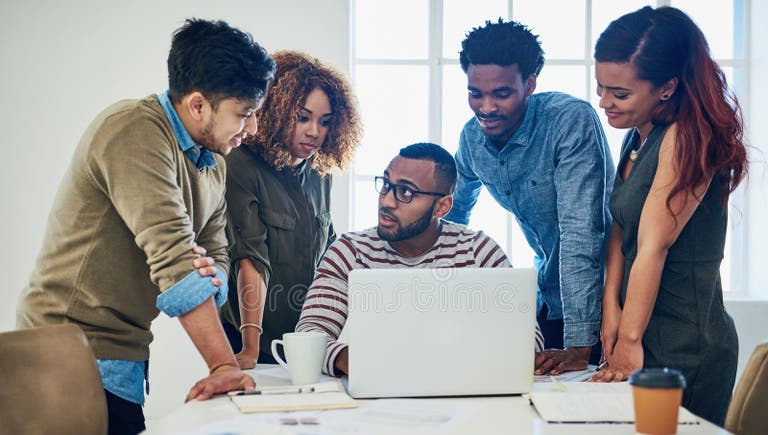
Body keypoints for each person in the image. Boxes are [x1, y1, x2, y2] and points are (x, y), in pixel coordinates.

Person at [16, 19, 276, 435]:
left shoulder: (214, 163)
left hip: (125, 356)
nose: (251, 129)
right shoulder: (134, 129)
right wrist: (223, 365)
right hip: (66, 354)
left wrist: (206, 272)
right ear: (197, 105)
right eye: (244, 114)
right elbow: (175, 261)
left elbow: (217, 256)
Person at [592, 6, 747, 426]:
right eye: (601, 87)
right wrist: (610, 310)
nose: (604, 102)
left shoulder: (687, 137)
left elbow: (652, 246)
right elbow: (620, 232)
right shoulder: (638, 136)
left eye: (619, 94)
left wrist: (629, 337)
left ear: (667, 88)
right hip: (638, 332)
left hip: (683, 345)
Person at [444, 19, 614, 374]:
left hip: (605, 308)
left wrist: (580, 345)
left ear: (530, 84)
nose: (486, 107)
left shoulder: (568, 122)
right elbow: (450, 215)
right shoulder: (472, 139)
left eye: (502, 93)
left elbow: (581, 234)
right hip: (548, 301)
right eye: (475, 93)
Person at [296, 142, 544, 376]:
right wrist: (353, 359)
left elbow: (528, 340)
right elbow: (309, 336)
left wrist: (447, 360)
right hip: (376, 400)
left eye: (406, 192)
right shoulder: (350, 252)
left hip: (464, 400)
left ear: (442, 207)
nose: (387, 201)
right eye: (385, 184)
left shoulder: (478, 251)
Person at [220, 50, 362, 369]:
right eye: (303, 117)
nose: (314, 131)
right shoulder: (240, 165)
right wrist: (250, 350)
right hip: (251, 337)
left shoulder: (320, 171)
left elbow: (328, 250)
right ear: (277, 111)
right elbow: (249, 260)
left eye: (325, 122)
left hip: (305, 338)